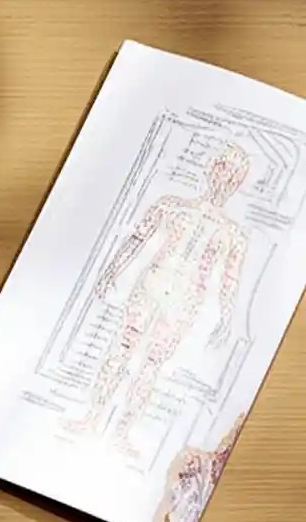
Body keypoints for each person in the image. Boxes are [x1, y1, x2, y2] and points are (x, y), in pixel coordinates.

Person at [68, 143, 251, 455]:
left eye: (233, 174)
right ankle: (92, 417)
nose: (225, 179)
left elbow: (230, 279)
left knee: (151, 364)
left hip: (184, 301)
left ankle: (122, 432)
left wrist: (226, 315)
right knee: (121, 350)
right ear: (210, 169)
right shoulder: (172, 205)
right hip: (152, 284)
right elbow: (137, 239)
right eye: (222, 167)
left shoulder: (234, 234)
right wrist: (111, 271)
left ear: (238, 182)